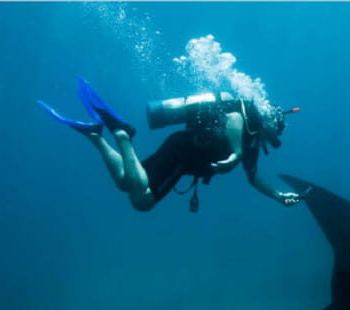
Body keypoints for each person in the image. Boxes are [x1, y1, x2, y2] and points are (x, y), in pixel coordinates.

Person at [38, 77, 303, 212]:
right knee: (142, 202)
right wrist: (235, 153)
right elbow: (233, 117)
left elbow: (253, 178)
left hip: (182, 149)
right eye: (278, 128)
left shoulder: (253, 139)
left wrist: (279, 195)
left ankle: (95, 135)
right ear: (273, 120)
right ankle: (122, 135)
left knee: (125, 183)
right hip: (184, 154)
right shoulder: (250, 119)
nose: (276, 135)